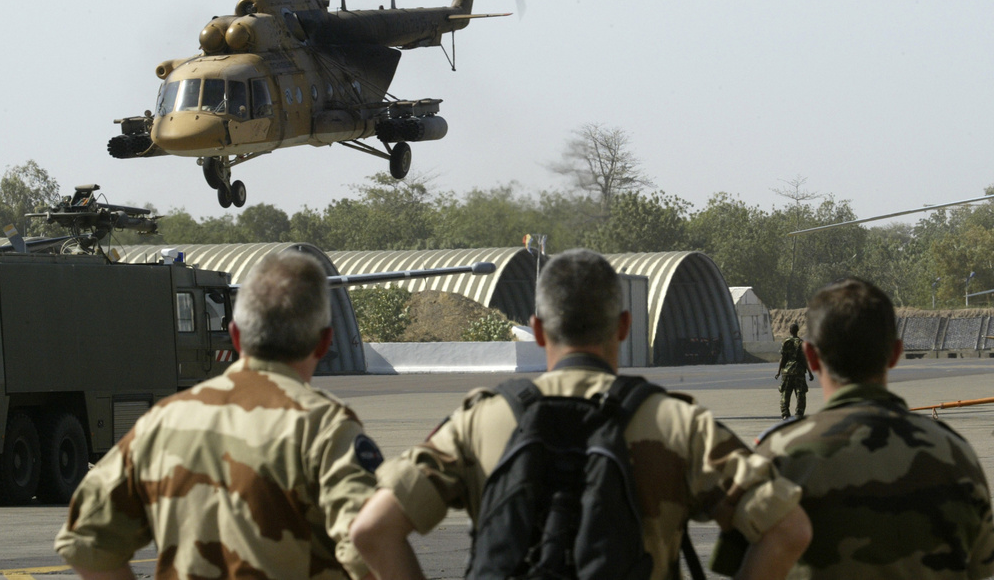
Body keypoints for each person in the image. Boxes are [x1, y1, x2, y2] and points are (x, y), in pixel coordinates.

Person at [350, 248, 812, 580]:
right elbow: (789, 530)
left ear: (536, 329)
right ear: (625, 326)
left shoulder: (480, 421)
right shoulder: (677, 424)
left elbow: (372, 531)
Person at [55, 251, 389, 580]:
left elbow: (85, 538)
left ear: (236, 336)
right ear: (324, 342)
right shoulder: (325, 429)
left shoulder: (164, 422)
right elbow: (370, 543)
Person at [756, 277, 994, 579]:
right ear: (895, 354)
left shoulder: (777, 457)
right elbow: (981, 566)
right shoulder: (955, 454)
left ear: (813, 358)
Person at [775, 322, 813, 418]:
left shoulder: (786, 342)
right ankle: (799, 413)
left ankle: (785, 414)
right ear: (798, 330)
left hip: (787, 372)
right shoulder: (802, 343)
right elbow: (804, 359)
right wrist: (810, 372)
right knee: (800, 394)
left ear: (790, 331)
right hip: (799, 371)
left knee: (785, 394)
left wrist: (779, 372)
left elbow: (783, 359)